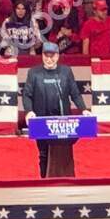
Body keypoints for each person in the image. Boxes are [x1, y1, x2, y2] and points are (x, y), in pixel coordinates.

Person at [20, 41, 87, 178]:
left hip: (63, 121)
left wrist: (84, 109)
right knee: (43, 153)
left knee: (64, 152)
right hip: (41, 120)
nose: (49, 59)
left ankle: (67, 179)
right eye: (46, 56)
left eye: (52, 56)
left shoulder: (66, 71)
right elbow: (27, 95)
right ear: (42, 56)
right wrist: (29, 111)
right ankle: (44, 180)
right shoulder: (34, 73)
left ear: (57, 56)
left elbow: (74, 93)